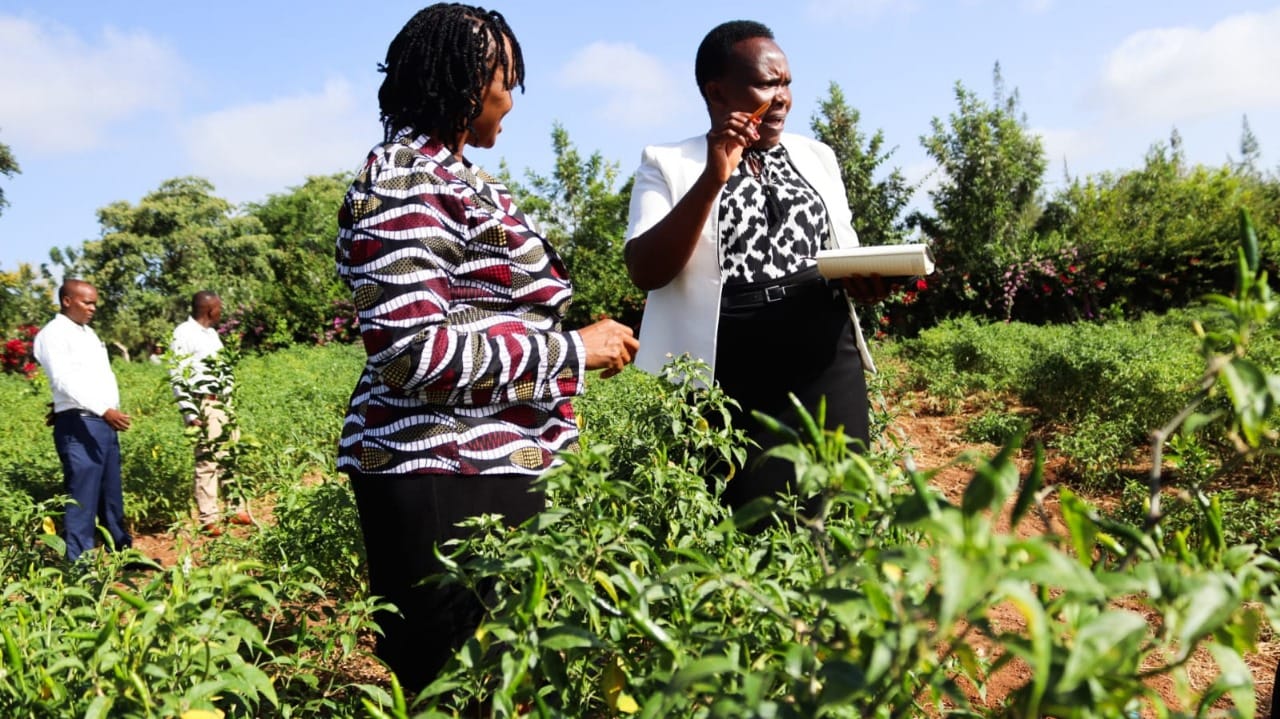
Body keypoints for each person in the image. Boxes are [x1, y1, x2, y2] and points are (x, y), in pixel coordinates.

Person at [335, 3, 639, 693]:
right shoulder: (407, 175)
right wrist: (568, 351)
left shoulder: (451, 176)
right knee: (458, 689)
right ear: (473, 83)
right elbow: (410, 349)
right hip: (442, 474)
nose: (512, 99)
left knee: (500, 688)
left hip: (477, 471)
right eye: (507, 80)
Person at [624, 20, 885, 513]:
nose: (782, 97)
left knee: (844, 496)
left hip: (825, 351)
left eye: (786, 82)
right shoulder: (668, 162)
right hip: (733, 361)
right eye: (768, 83)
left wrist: (866, 281)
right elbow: (646, 271)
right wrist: (712, 177)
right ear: (716, 90)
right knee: (750, 509)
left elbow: (842, 250)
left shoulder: (817, 156)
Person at [32, 279, 133, 562]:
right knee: (82, 498)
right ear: (67, 301)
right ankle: (78, 565)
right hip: (82, 423)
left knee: (110, 495)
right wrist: (104, 409)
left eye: (94, 304)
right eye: (86, 302)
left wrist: (106, 412)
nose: (92, 308)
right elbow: (63, 379)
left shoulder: (87, 333)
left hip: (101, 422)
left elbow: (89, 378)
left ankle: (122, 556)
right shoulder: (53, 334)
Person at [170, 290, 248, 536]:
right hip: (203, 403)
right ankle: (209, 517)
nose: (221, 311)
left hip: (223, 403)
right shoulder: (184, 333)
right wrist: (190, 413)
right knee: (207, 460)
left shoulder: (212, 334)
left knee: (229, 456)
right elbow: (177, 374)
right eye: (219, 307)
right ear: (209, 309)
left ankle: (235, 508)